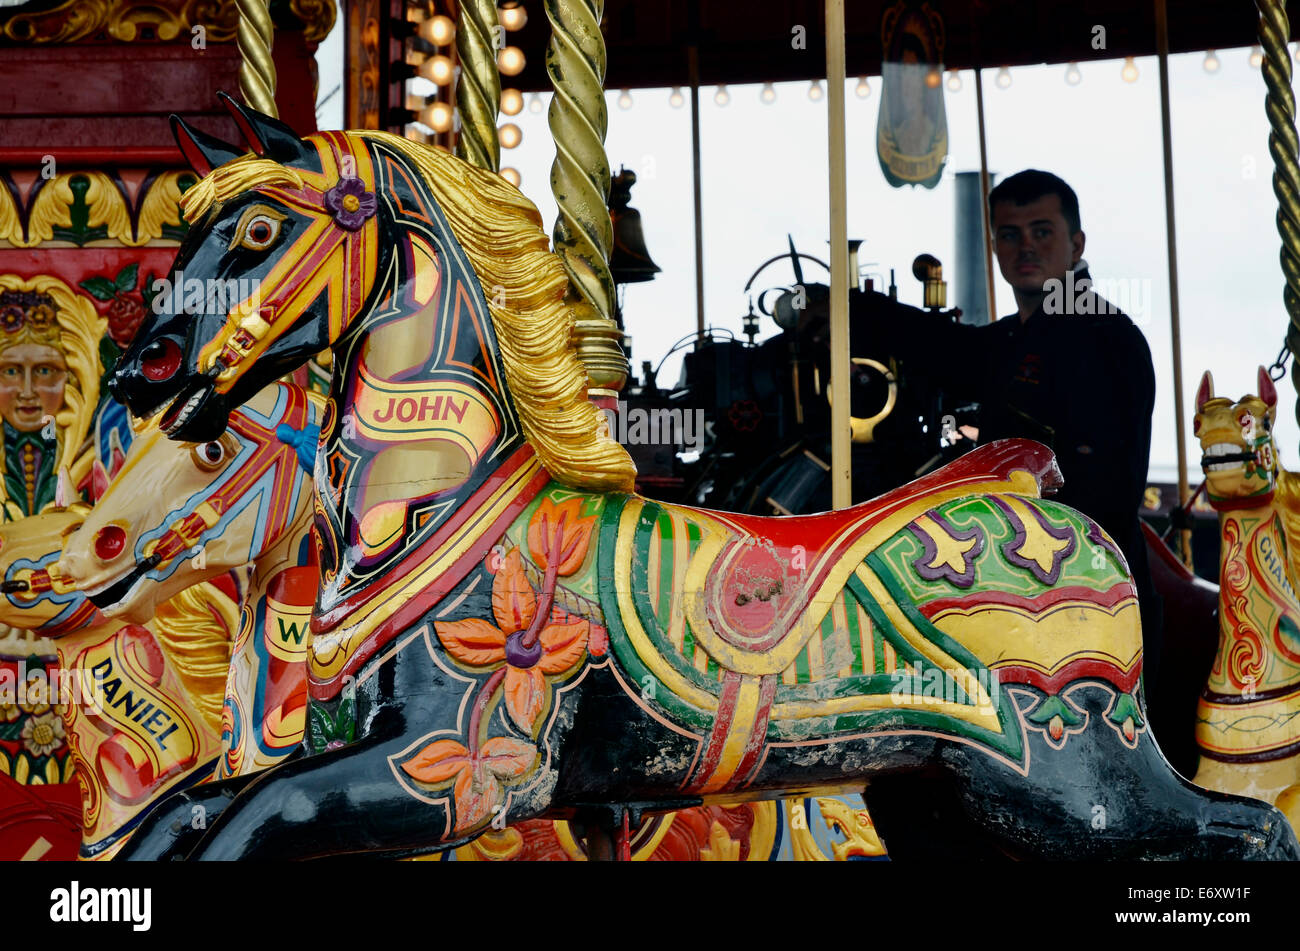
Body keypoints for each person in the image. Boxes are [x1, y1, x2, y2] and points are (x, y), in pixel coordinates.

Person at [853, 169, 1164, 705]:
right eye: (1010, 234)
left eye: (1042, 232)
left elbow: (1108, 495)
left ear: (1077, 244)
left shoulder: (1108, 338)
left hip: (1091, 603)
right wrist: (848, 306)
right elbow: (949, 346)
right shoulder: (1014, 340)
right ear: (994, 243)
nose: (1025, 247)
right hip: (1021, 595)